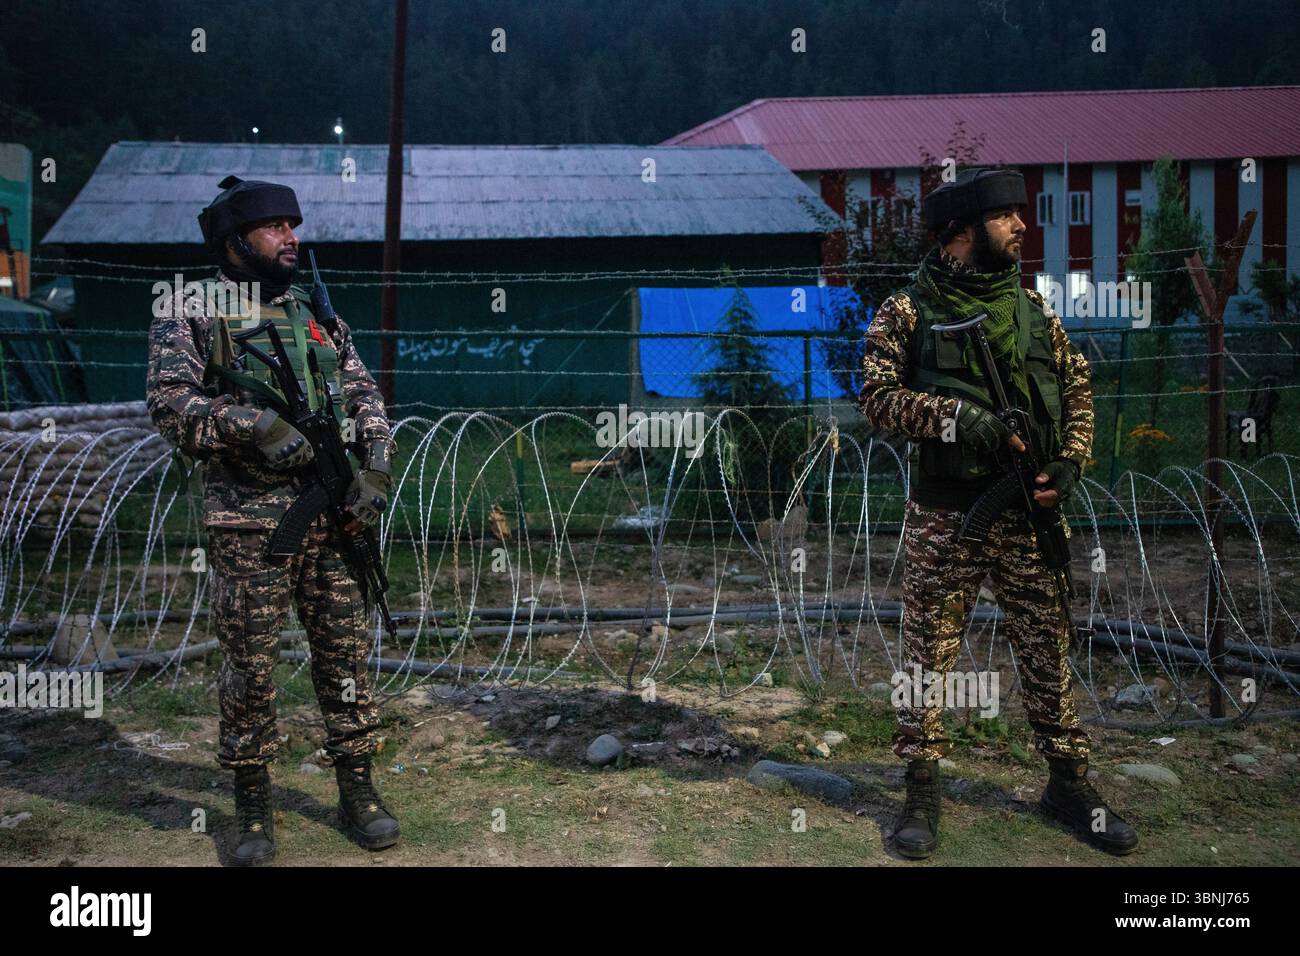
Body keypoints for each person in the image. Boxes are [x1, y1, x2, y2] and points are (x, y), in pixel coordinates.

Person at [857, 167, 1138, 858]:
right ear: (961, 231)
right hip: (948, 518)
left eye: (1020, 214)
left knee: (1047, 650)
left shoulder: (1034, 309)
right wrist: (960, 419)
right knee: (928, 657)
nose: (1021, 226)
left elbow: (1077, 385)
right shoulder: (908, 311)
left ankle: (1068, 783)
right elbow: (877, 399)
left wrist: (1069, 462)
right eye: (1006, 216)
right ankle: (921, 789)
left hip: (1028, 512)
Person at [146, 175, 399, 865]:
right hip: (251, 523)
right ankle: (253, 808)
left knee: (345, 658)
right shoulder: (191, 308)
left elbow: (363, 391)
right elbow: (171, 406)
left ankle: (358, 789)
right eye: (275, 226)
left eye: (294, 224)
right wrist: (249, 423)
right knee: (251, 668)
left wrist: (375, 462)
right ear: (234, 240)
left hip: (337, 515)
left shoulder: (314, 311)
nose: (292, 237)